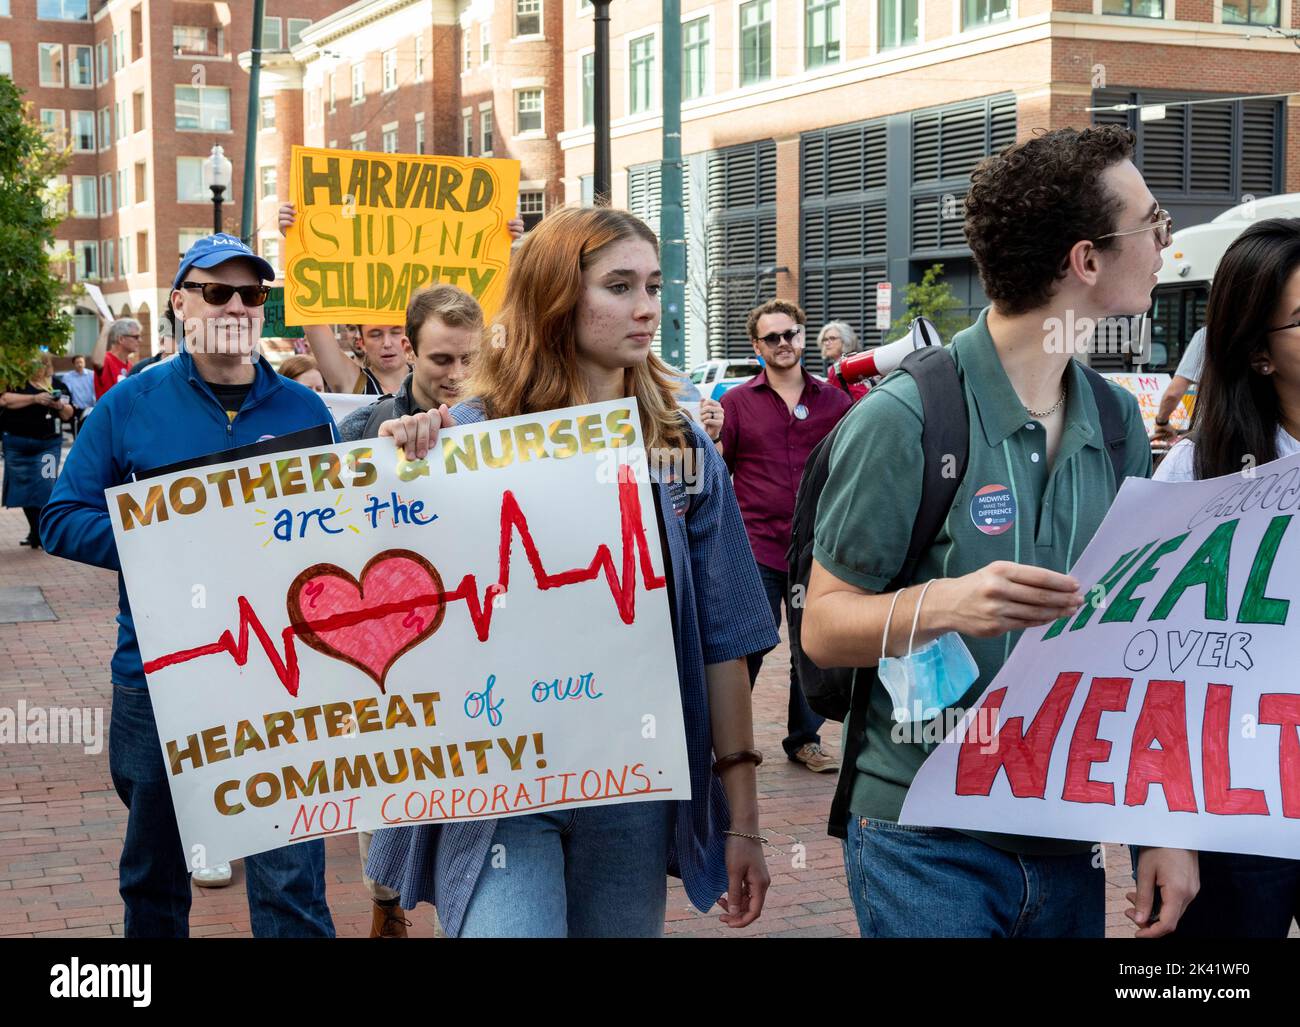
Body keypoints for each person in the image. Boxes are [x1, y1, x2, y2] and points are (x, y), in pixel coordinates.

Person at [802, 125, 1199, 938]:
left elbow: (1130, 636)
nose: (1166, 243)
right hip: (925, 833)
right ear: (1086, 261)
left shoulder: (1119, 420)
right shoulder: (909, 416)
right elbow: (823, 626)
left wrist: (1162, 827)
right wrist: (948, 603)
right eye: (1153, 224)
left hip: (1063, 828)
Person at [365, 207, 777, 938]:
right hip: (500, 781)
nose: (645, 306)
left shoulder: (678, 446)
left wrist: (742, 819)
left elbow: (725, 638)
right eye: (618, 285)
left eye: (652, 284)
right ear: (556, 296)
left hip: (632, 782)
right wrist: (398, 474)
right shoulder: (469, 439)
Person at [40, 233, 341, 938]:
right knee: (155, 875)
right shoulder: (129, 404)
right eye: (216, 290)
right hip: (160, 674)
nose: (236, 305)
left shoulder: (308, 411)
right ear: (181, 302)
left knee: (292, 881)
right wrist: (165, 542)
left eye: (253, 294)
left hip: (282, 676)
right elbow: (62, 516)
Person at [1152, 218, 1300, 938]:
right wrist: (1164, 830)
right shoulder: (1199, 471)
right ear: (1258, 353)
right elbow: (1154, 661)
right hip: (1237, 799)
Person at [338, 282, 486, 938]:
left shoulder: (505, 424)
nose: (455, 375)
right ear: (408, 348)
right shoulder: (362, 430)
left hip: (473, 639)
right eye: (441, 360)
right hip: (387, 646)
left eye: (466, 360)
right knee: (385, 783)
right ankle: (385, 899)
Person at [720, 299, 851, 773]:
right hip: (757, 545)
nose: (784, 344)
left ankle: (804, 740)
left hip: (817, 547)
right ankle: (730, 743)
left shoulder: (836, 402)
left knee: (811, 646)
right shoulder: (735, 403)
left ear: (802, 335)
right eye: (772, 338)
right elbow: (723, 471)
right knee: (749, 642)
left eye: (790, 334)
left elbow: (850, 470)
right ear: (757, 347)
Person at [278, 204, 525, 396]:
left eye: (395, 332)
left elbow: (495, 312)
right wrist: (296, 240)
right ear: (360, 341)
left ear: (409, 342)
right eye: (375, 334)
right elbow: (311, 319)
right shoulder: (354, 383)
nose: (387, 343)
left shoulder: (446, 379)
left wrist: (503, 244)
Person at [2, 352, 74, 548]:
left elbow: (69, 414)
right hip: (17, 445)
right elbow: (4, 400)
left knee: (46, 486)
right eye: (30, 365)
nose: (35, 369)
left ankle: (43, 531)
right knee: (23, 489)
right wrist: (35, 398)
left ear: (46, 365)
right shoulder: (17, 382)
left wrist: (58, 405)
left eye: (38, 365)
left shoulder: (57, 385)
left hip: (47, 445)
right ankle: (35, 531)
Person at [1152, 325, 1205, 442]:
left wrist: (1161, 422)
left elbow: (1173, 394)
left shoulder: (1207, 335)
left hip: (1219, 437)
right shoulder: (1254, 335)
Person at [90, 317, 141, 399]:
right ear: (121, 339)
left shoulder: (130, 366)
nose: (140, 340)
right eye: (136, 337)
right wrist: (106, 328)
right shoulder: (106, 359)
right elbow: (96, 361)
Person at [817, 320, 868, 401]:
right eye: (825, 339)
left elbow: (861, 396)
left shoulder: (843, 367)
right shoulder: (853, 361)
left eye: (832, 338)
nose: (827, 343)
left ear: (845, 340)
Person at [61, 354, 96, 435]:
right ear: (74, 364)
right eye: (77, 362)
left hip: (91, 409)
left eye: (81, 362)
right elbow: (66, 393)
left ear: (85, 363)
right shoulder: (68, 377)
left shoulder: (92, 375)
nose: (80, 364)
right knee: (77, 434)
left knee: (91, 433)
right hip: (76, 410)